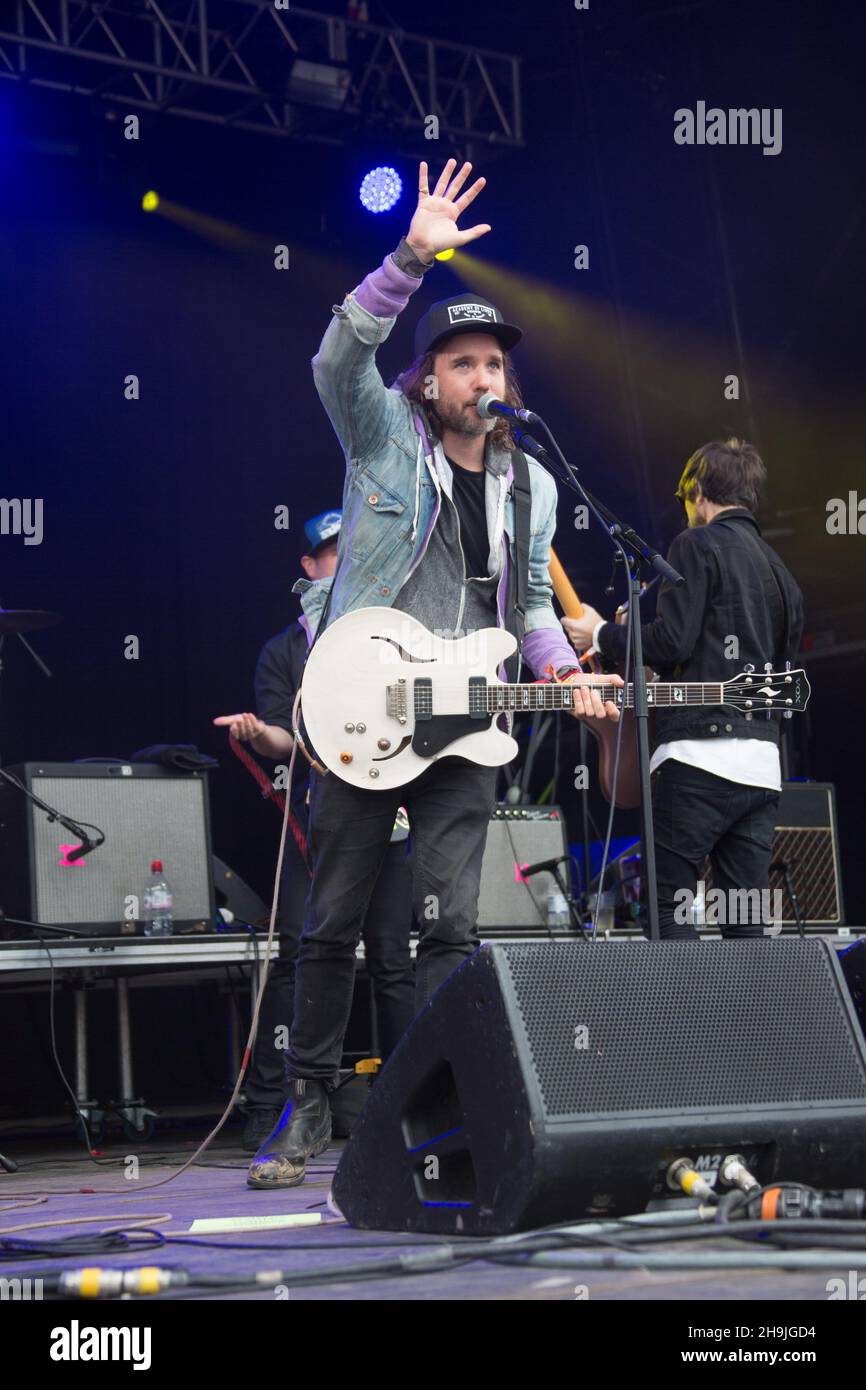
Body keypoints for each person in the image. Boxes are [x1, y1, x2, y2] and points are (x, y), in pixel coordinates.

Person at [245, 158, 621, 1190]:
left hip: (462, 725)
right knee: (330, 923)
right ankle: (309, 1103)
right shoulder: (383, 437)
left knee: (449, 925)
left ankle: (436, 1099)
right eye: (459, 363)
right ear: (426, 378)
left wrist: (568, 676)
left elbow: (531, 617)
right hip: (360, 710)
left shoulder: (528, 482)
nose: (480, 379)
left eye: (491, 364)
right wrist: (410, 255)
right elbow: (334, 360)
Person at [214, 511, 415, 1152]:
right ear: (308, 566)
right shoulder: (286, 650)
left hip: (395, 812)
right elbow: (283, 738)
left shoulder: (387, 631)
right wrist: (256, 731)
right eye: (330, 552)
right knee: (302, 954)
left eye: (348, 549)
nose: (341, 559)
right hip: (320, 821)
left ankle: (410, 1097)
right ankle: (281, 1102)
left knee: (393, 960)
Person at [563, 438, 804, 940]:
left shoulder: (695, 545)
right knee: (746, 923)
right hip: (762, 767)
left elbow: (671, 641)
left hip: (696, 759)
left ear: (696, 490)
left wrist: (600, 634)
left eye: (682, 500)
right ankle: (751, 1020)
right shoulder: (783, 572)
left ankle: (687, 1019)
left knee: (669, 912)